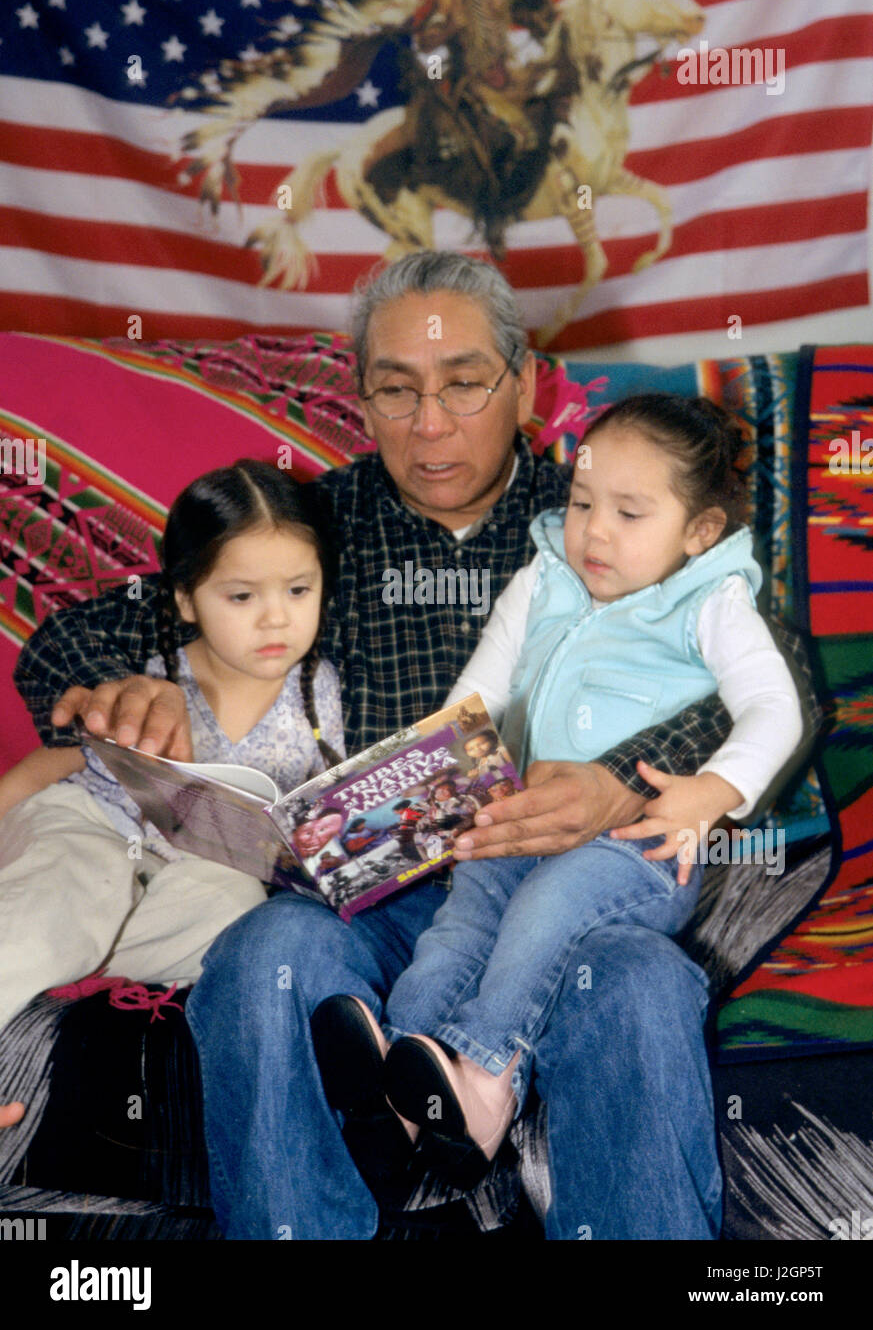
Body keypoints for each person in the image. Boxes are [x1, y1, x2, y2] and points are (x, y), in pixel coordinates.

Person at [8, 251, 818, 1237]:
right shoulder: (319, 524)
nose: (430, 423)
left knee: (639, 983)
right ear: (362, 399)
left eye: (465, 384)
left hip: (573, 882)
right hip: (386, 894)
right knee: (264, 950)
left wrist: (618, 785)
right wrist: (120, 686)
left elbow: (785, 687)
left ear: (525, 383)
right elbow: (77, 636)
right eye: (397, 391)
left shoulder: (604, 510)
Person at [315, 394, 803, 1189]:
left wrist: (708, 793)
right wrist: (430, 774)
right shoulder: (543, 576)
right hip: (519, 829)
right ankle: (402, 1084)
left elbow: (773, 706)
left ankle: (482, 1084)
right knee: (459, 926)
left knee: (540, 918)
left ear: (699, 532)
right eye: (580, 503)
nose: (594, 531)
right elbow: (477, 695)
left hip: (633, 850)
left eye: (629, 513)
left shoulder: (710, 601)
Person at [0, 460, 343, 1037]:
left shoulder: (320, 692)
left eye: (298, 590)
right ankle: (46, 936)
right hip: (93, 828)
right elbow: (57, 760)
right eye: (241, 596)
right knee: (84, 881)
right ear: (186, 599)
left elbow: (321, 813)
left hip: (194, 870)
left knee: (241, 913)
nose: (276, 617)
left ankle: (66, 954)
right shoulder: (153, 682)